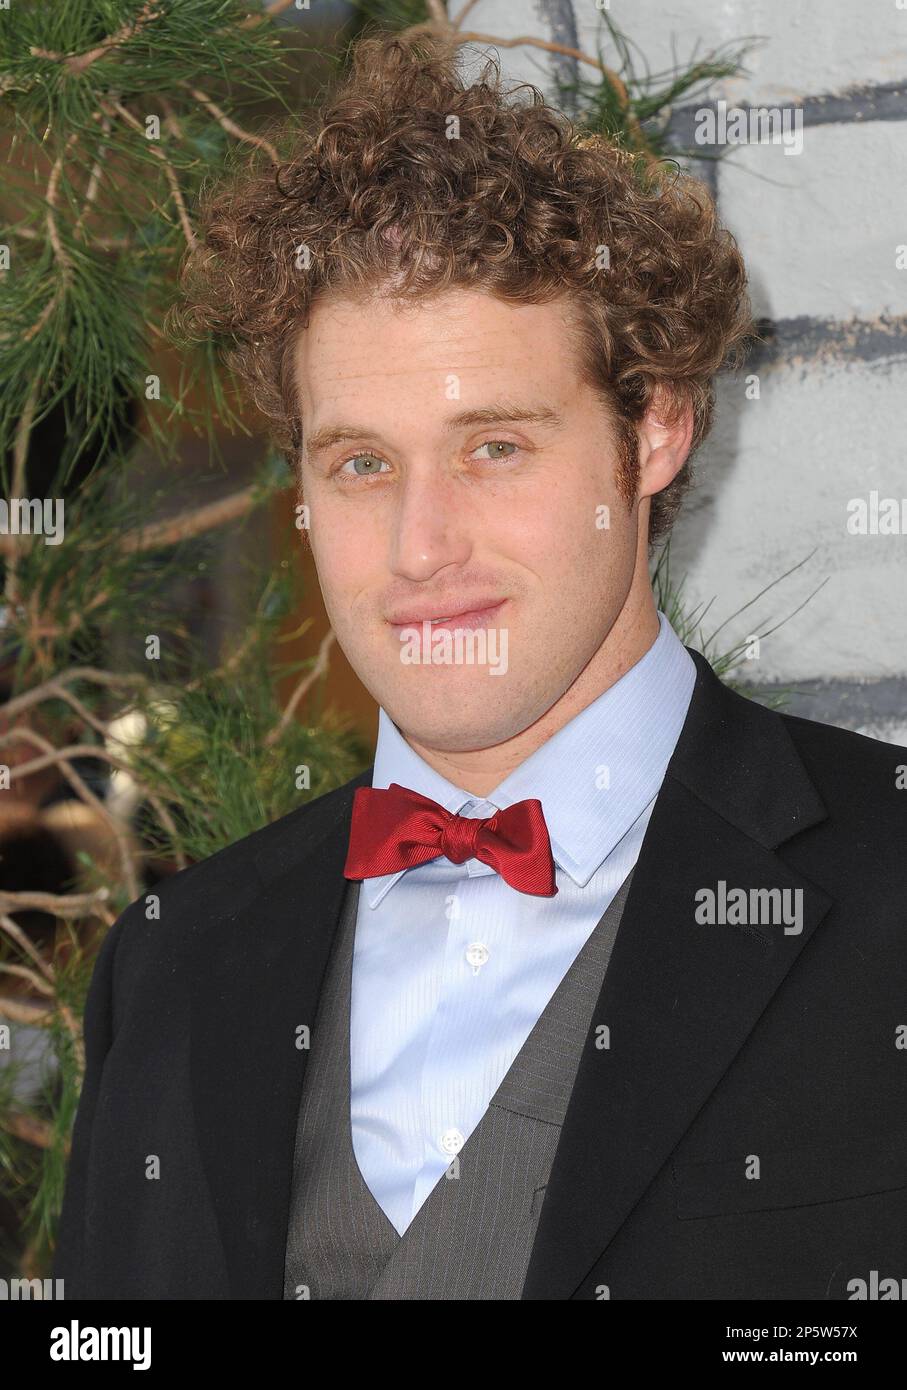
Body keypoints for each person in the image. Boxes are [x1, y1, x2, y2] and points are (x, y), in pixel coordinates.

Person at [55, 31, 907, 1300]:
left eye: (494, 447)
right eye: (359, 463)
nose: (420, 547)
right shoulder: (174, 962)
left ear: (655, 428)